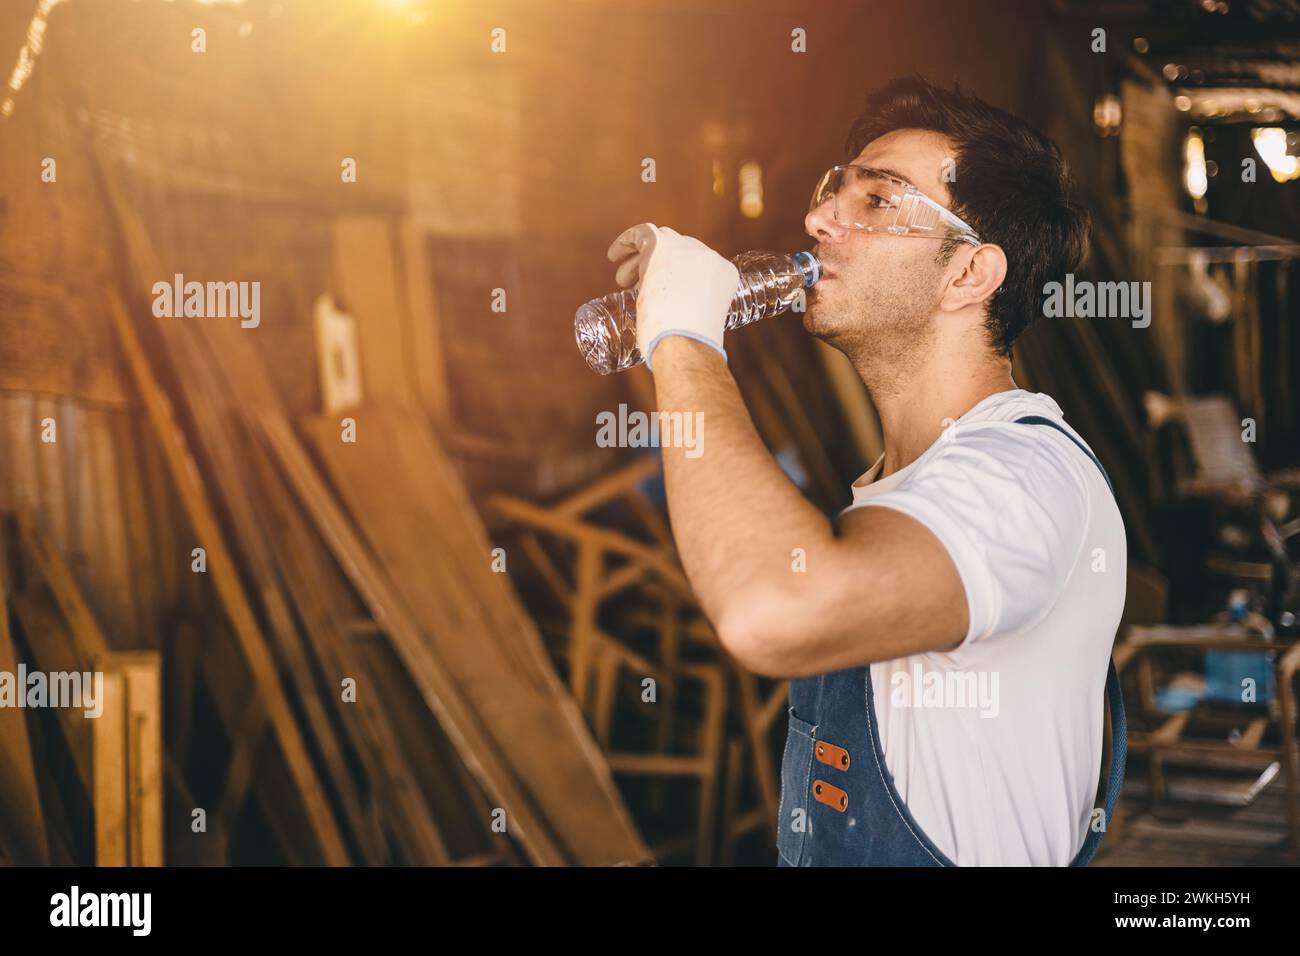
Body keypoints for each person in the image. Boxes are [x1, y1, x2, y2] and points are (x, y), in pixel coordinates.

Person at [605, 75, 1126, 866]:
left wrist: (683, 338)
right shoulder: (898, 490)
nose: (819, 219)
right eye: (832, 191)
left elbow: (770, 612)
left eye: (879, 202)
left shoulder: (1023, 476)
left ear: (969, 275)